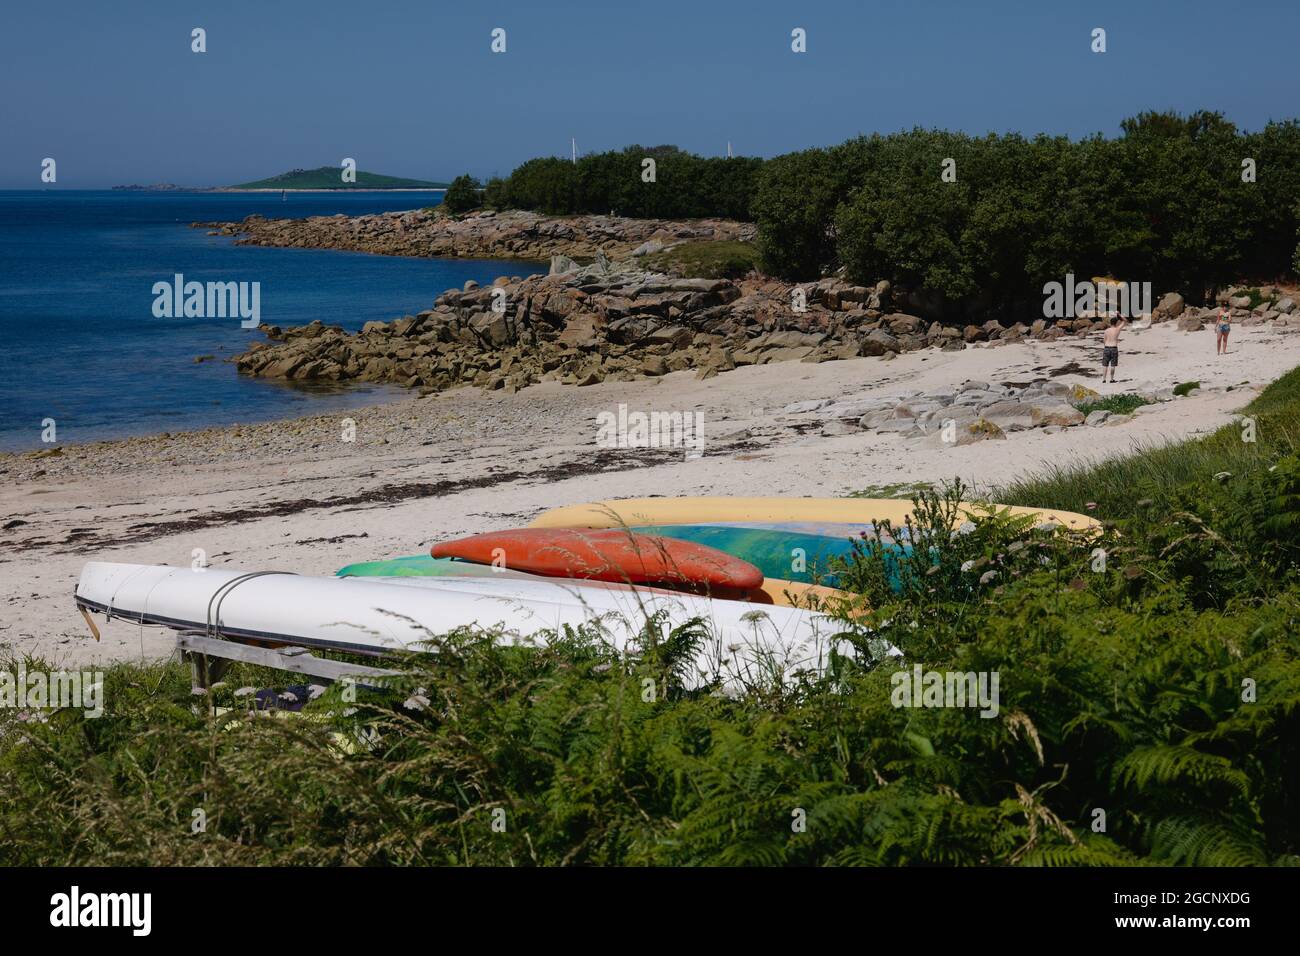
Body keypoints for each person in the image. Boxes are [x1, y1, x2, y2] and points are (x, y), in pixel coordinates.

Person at [1101, 316, 1126, 383]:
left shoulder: (1106, 331)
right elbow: (1125, 321)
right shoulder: (1117, 329)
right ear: (1116, 323)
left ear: (1110, 323)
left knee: (1105, 364)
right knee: (1113, 365)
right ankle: (1111, 379)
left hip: (1106, 347)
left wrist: (1105, 348)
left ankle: (1104, 379)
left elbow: (1104, 341)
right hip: (1114, 347)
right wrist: (1119, 315)